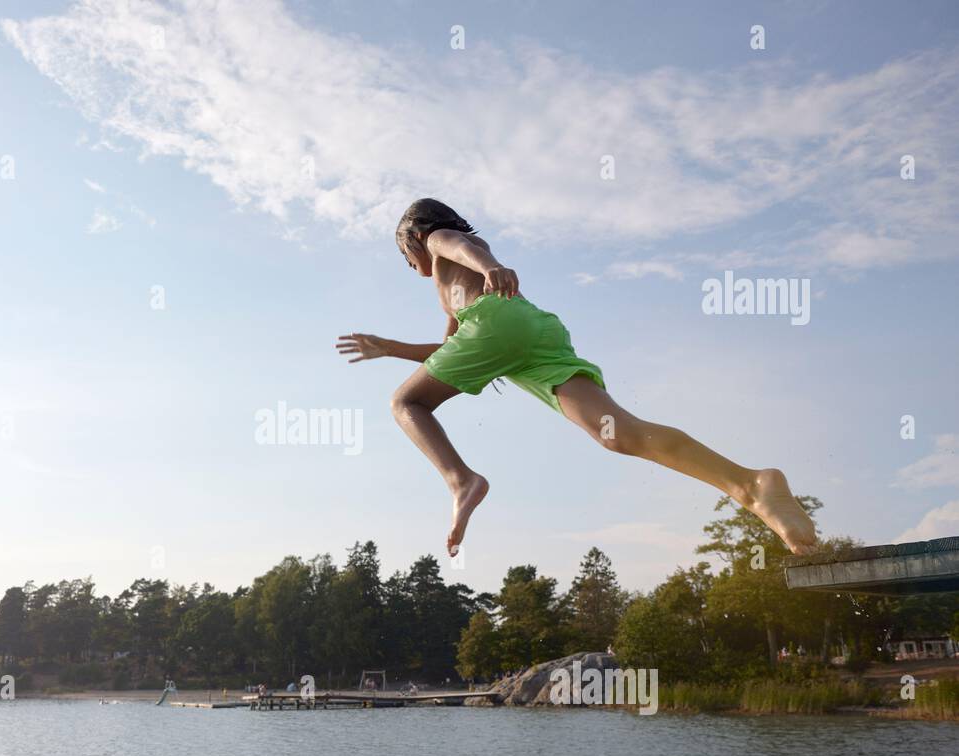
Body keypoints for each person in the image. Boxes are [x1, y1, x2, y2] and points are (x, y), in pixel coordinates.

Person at [337, 198, 819, 557]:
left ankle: (461, 481)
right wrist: (389, 348)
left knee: (406, 405)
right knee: (620, 434)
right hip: (531, 336)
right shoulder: (452, 294)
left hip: (497, 322)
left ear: (414, 240)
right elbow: (450, 350)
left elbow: (457, 244)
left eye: (406, 258)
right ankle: (752, 486)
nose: (413, 268)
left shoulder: (441, 244)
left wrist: (492, 266)